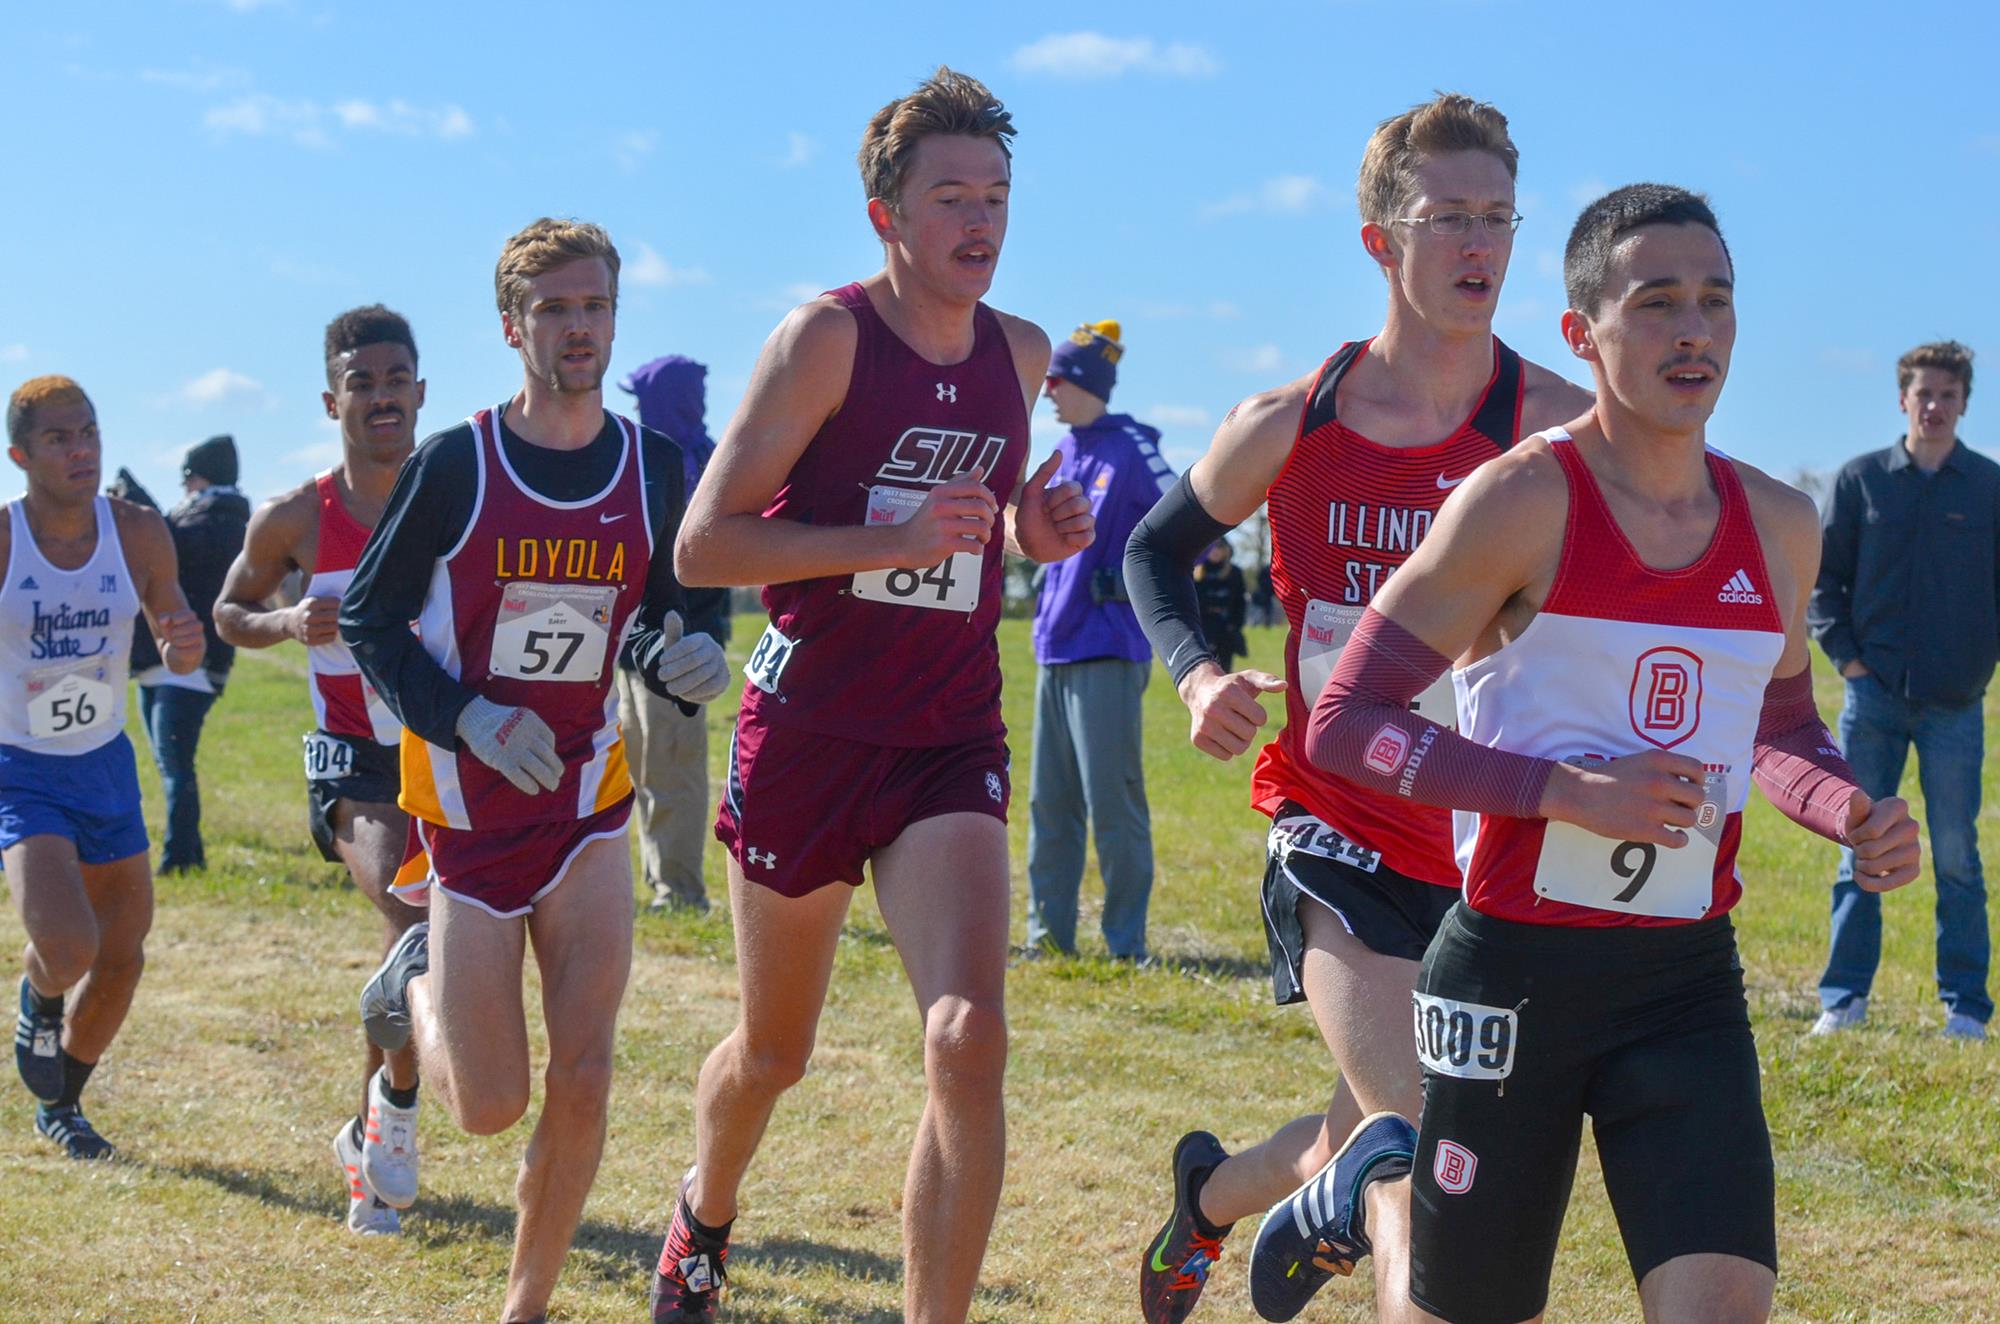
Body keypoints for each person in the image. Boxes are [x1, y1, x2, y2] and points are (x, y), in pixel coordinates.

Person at [1274, 185, 1921, 1324]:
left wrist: (1843, 808)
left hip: (1682, 982)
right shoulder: (1518, 501)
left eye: (1714, 302)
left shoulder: (1776, 523)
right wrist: (1562, 793)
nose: (1691, 330)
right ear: (1581, 333)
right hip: (1510, 977)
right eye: (1656, 301)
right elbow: (1346, 719)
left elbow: (1773, 726)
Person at [1125, 93, 1590, 1324]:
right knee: (1422, 1138)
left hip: (1484, 847)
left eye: (1497, 217)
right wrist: (1198, 672)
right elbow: (1150, 556)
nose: (1478, 246)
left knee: (1356, 1129)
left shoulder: (1551, 432)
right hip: (1331, 821)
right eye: (1447, 220)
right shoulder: (1294, 423)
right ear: (1381, 238)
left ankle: (1211, 1199)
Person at [659, 68, 1093, 1324]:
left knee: (967, 1038)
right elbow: (705, 547)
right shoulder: (827, 340)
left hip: (945, 734)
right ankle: (705, 1207)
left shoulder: (1019, 351)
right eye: (950, 195)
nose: (980, 220)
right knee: (774, 1054)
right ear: (884, 217)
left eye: (997, 196)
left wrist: (1037, 527)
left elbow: (988, 521)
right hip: (806, 732)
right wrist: (880, 538)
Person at [338, 220, 731, 1321]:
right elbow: (370, 618)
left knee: (588, 1070)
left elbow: (655, 614)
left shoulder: (653, 470)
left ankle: (526, 1304)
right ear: (511, 326)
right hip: (469, 812)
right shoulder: (457, 463)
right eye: (553, 310)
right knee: (485, 1106)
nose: (577, 329)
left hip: (586, 801)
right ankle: (410, 981)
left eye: (593, 307)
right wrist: (463, 714)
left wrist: (679, 653)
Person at [213, 305, 430, 1234]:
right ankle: (398, 1129)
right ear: (332, 397)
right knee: (409, 916)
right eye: (362, 382)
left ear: (421, 391)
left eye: (395, 379)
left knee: (421, 961)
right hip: (352, 758)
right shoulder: (299, 515)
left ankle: (371, 1128)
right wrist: (284, 624)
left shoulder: (455, 488)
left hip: (445, 747)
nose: (381, 397)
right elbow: (228, 608)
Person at [5, 375, 206, 1159]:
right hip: (20, 765)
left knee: (123, 954)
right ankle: (40, 994)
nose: (81, 449)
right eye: (59, 438)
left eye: (87, 431)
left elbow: (172, 620)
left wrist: (181, 642)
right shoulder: (6, 538)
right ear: (21, 455)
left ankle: (66, 1103)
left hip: (104, 764)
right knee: (67, 948)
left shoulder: (138, 531)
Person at [1807, 340, 1993, 1041]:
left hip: (1955, 705)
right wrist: (1850, 664)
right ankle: (1844, 998)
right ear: (1902, 400)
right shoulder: (1860, 482)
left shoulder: (1990, 488)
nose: (1936, 406)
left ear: (1965, 402)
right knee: (1857, 848)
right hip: (1873, 700)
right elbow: (1825, 584)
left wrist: (1979, 668)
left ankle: (1967, 1007)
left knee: (1956, 855)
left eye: (1949, 394)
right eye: (1925, 394)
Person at [1026, 318, 1173, 959]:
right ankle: (1047, 937)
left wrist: (1126, 580)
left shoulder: (1132, 447)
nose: (1047, 391)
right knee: (1047, 804)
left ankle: (1124, 944)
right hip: (1053, 648)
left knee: (1112, 803)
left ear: (1086, 381)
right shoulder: (1068, 451)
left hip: (1108, 648)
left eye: (1056, 379)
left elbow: (1190, 522)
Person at [615, 354, 731, 913]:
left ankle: (682, 892)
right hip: (633, 645)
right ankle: (660, 882)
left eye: (645, 399)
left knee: (673, 768)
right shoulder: (644, 460)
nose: (637, 410)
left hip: (681, 643)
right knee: (640, 765)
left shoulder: (699, 465)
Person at [119, 436, 250, 875]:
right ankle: (183, 852)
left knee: (176, 766)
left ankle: (183, 858)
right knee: (167, 764)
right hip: (162, 664)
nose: (186, 487)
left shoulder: (223, 521)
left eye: (189, 477)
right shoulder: (200, 518)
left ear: (204, 476)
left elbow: (174, 546)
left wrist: (137, 504)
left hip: (191, 666)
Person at [1193, 540, 1247, 673]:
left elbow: (1240, 602)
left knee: (1224, 668)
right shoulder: (1197, 573)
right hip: (1204, 626)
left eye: (1219, 547)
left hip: (1225, 627)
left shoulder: (1234, 573)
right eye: (1211, 547)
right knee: (1204, 668)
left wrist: (1235, 625)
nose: (1215, 551)